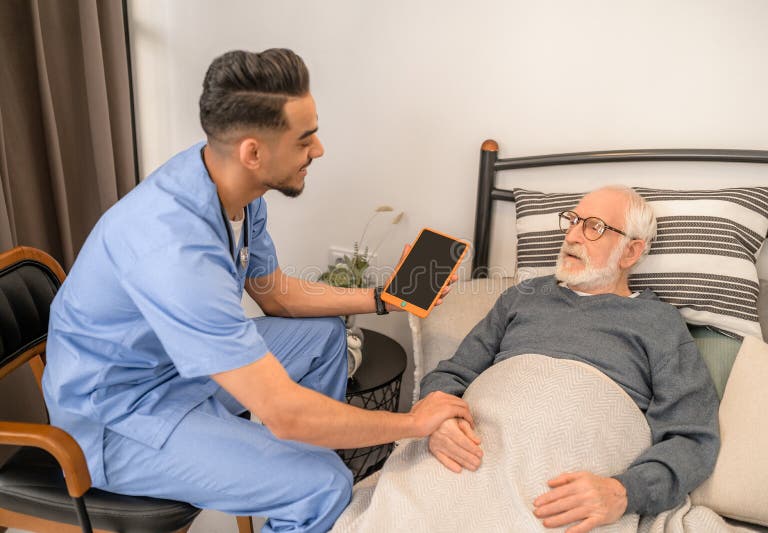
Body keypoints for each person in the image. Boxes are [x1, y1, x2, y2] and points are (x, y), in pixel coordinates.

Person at [42, 48, 473, 533]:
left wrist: (383, 298)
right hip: (118, 419)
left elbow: (277, 295)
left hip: (173, 370)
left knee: (324, 337)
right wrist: (413, 425)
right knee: (325, 484)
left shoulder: (232, 192)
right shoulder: (173, 249)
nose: (320, 150)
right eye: (305, 139)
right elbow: (285, 413)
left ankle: (286, 483)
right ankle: (304, 491)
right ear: (254, 152)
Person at [419, 186, 720, 532]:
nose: (573, 236)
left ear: (631, 252)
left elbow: (693, 438)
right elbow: (452, 373)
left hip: (560, 481)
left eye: (594, 227)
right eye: (573, 221)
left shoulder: (659, 323)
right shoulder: (522, 297)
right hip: (471, 454)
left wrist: (625, 491)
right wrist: (437, 417)